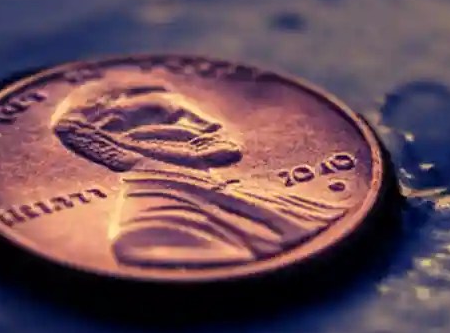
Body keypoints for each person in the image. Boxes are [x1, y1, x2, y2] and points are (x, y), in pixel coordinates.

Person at [51, 74, 347, 267]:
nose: (211, 124)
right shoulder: (149, 234)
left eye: (197, 111)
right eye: (177, 118)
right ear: (111, 138)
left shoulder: (266, 195)